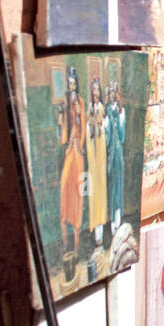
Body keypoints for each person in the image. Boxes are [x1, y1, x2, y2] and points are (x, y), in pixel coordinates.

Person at [56, 67, 86, 273]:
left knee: (77, 194)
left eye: (74, 83)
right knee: (64, 194)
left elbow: (83, 127)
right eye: (69, 84)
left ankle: (76, 244)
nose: (72, 86)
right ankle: (66, 245)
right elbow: (64, 135)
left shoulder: (80, 104)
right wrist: (62, 120)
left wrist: (78, 114)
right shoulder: (67, 105)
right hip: (70, 153)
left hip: (78, 154)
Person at [86, 76, 108, 242]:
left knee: (100, 190)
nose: (95, 93)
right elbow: (88, 130)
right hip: (92, 156)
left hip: (100, 156)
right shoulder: (89, 109)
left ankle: (100, 231)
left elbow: (103, 131)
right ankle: (94, 231)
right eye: (93, 90)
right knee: (92, 190)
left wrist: (100, 126)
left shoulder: (101, 109)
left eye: (97, 90)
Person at [105, 81, 126, 232]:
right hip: (109, 155)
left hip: (118, 153)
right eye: (111, 92)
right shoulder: (105, 111)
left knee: (118, 187)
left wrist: (119, 117)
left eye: (115, 92)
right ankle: (112, 223)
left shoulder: (120, 111)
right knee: (111, 188)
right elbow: (105, 138)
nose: (113, 94)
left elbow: (122, 136)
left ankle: (118, 223)